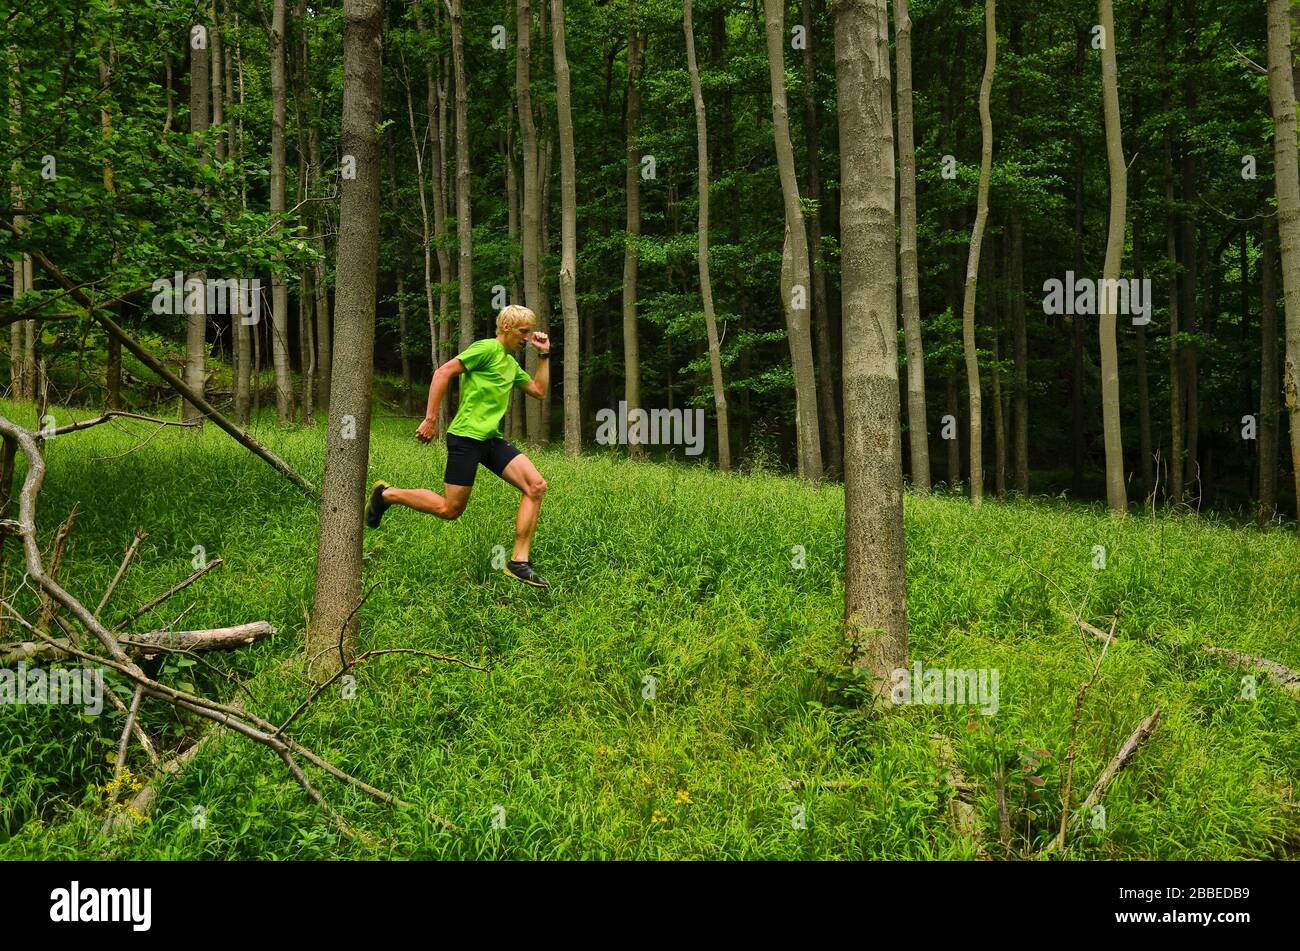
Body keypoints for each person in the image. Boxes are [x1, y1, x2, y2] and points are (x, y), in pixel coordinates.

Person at [365, 304, 551, 588]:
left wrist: (544, 355)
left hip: (490, 439)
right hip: (465, 438)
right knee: (449, 510)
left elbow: (538, 391)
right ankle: (386, 495)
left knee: (535, 486)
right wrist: (430, 419)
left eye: (529, 333)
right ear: (506, 327)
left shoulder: (511, 364)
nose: (526, 338)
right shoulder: (486, 349)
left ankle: (518, 562)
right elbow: (443, 372)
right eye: (523, 332)